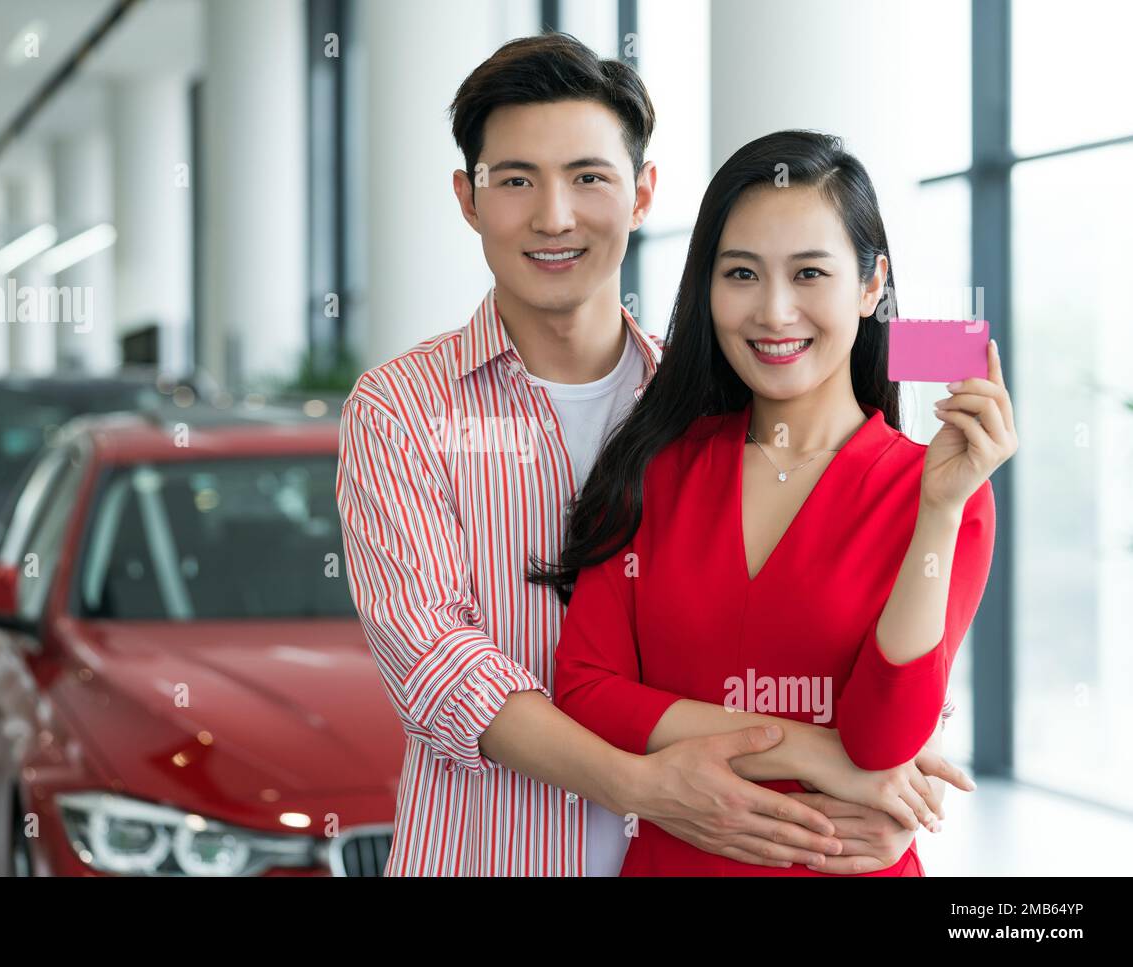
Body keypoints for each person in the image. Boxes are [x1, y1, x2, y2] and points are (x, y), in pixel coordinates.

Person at [336, 34, 973, 876]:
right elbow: (437, 668)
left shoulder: (716, 399)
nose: (554, 215)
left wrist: (880, 788)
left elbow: (844, 643)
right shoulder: (400, 408)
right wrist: (650, 784)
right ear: (467, 198)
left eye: (589, 177)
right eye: (516, 180)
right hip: (493, 855)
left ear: (642, 195)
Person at [537, 129, 1018, 875]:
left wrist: (941, 507)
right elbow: (587, 691)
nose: (774, 310)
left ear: (869, 286)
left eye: (809, 273)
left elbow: (883, 742)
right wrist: (808, 749)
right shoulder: (655, 464)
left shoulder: (942, 495)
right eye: (741, 274)